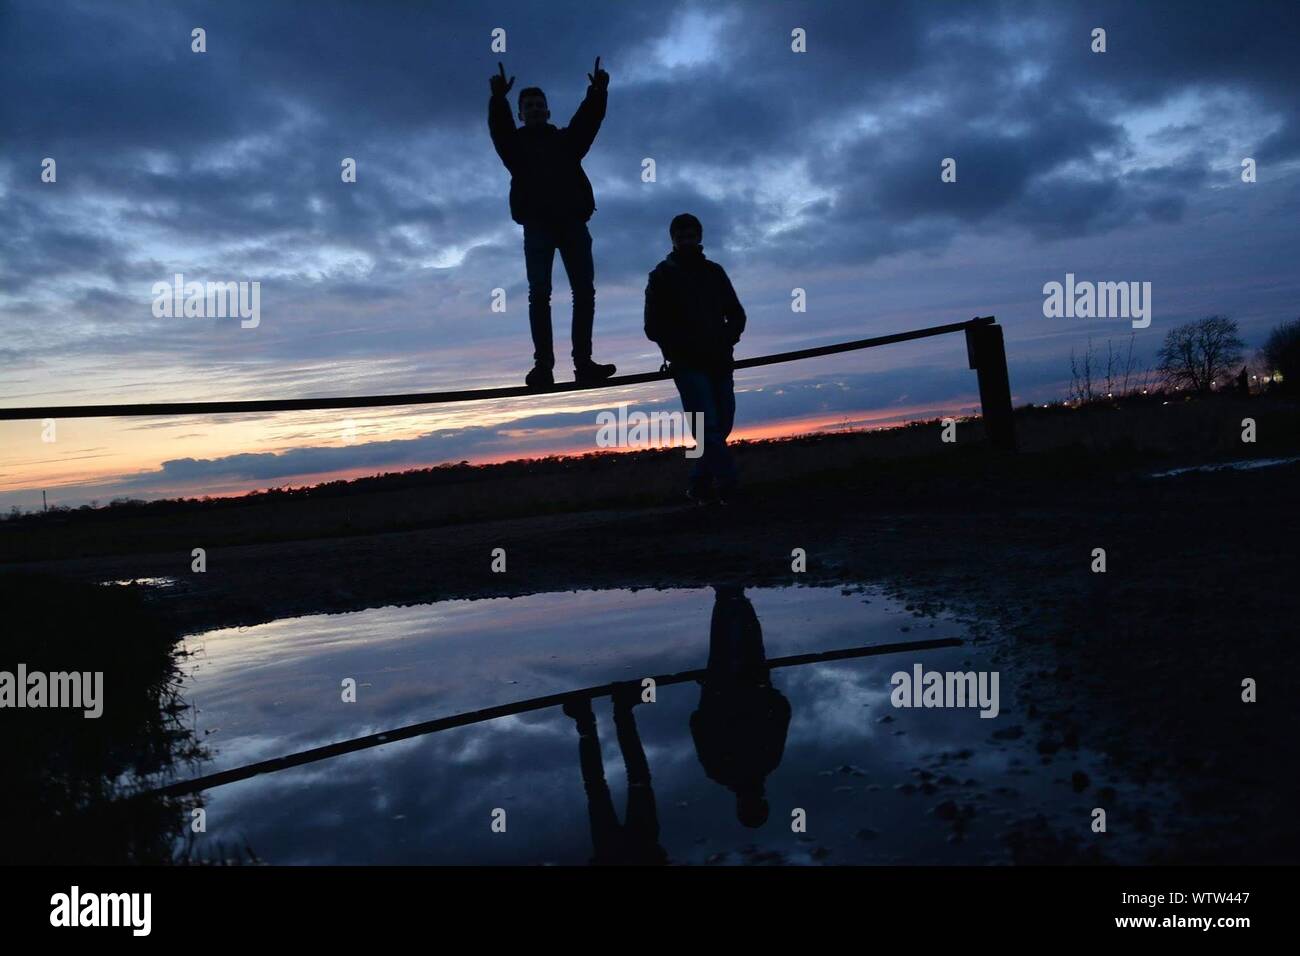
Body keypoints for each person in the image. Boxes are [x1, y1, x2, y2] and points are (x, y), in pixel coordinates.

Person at [488, 59, 618, 388]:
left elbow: (587, 123)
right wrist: (499, 99)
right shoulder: (515, 148)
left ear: (547, 110)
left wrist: (598, 92)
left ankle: (584, 364)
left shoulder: (566, 142)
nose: (534, 109)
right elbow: (499, 131)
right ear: (521, 114)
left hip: (573, 223)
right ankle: (543, 367)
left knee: (584, 293)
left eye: (539, 105)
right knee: (539, 295)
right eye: (527, 106)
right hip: (537, 227)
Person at [643, 214, 746, 503]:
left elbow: (736, 313)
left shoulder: (714, 272)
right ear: (673, 239)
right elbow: (652, 326)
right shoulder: (661, 276)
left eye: (691, 236)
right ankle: (729, 488)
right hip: (688, 365)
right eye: (681, 237)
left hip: (720, 360)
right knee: (709, 428)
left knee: (721, 425)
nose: (687, 241)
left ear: (699, 237)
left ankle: (699, 484)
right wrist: (680, 347)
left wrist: (726, 339)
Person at [690, 585, 790, 828]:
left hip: (746, 685)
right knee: (729, 640)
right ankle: (728, 594)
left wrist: (767, 694)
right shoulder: (719, 770)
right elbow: (696, 723)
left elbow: (782, 712)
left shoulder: (767, 762)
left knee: (742, 639)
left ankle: (731, 593)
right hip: (723, 688)